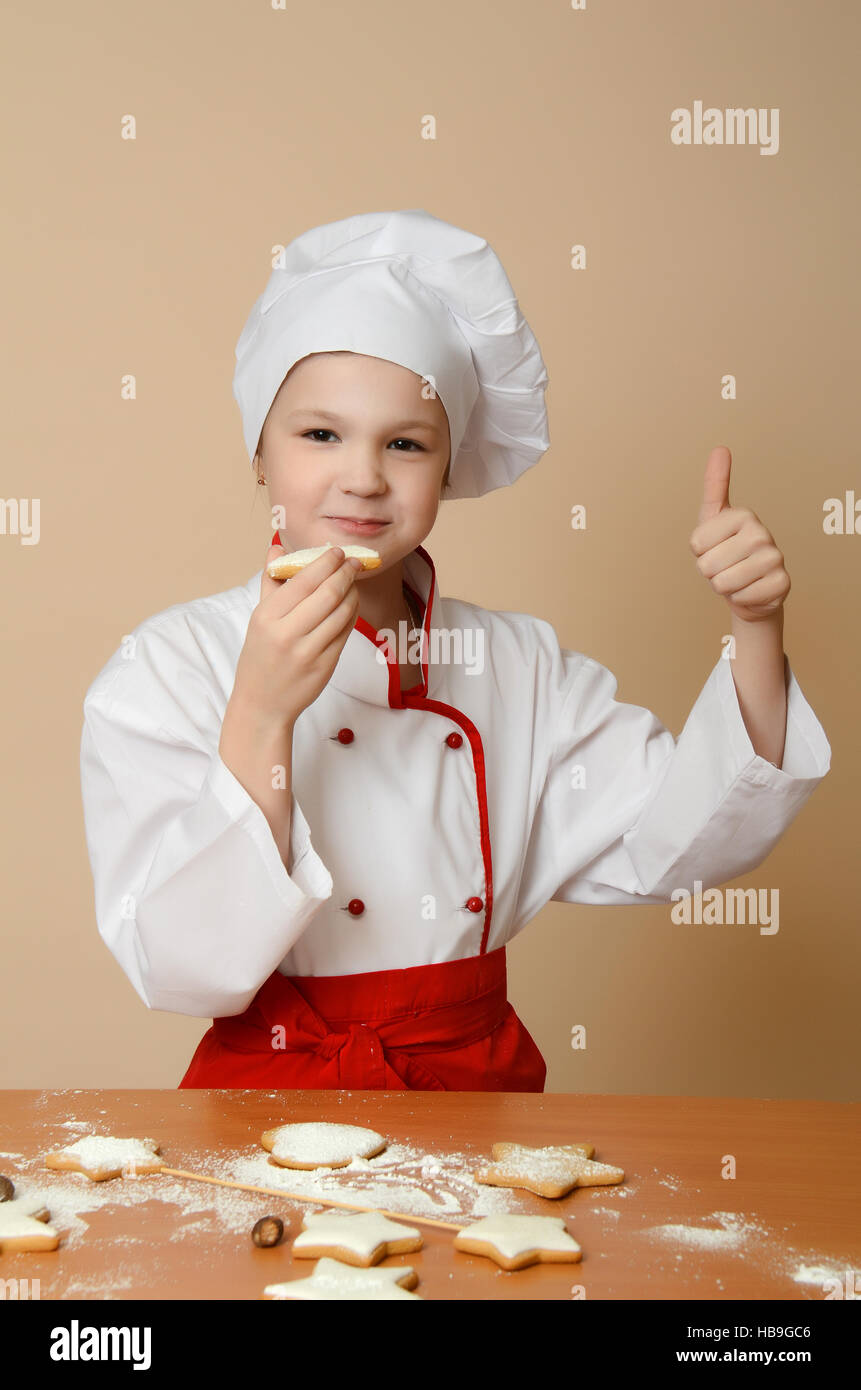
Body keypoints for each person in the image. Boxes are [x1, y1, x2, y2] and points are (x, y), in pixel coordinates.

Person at [79, 209, 831, 1090]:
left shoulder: (517, 664)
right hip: (269, 1103)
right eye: (319, 434)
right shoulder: (168, 665)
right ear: (259, 455)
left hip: (476, 1093)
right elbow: (181, 968)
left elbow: (680, 840)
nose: (362, 476)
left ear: (446, 470)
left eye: (405, 443)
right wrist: (260, 713)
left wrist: (754, 625)